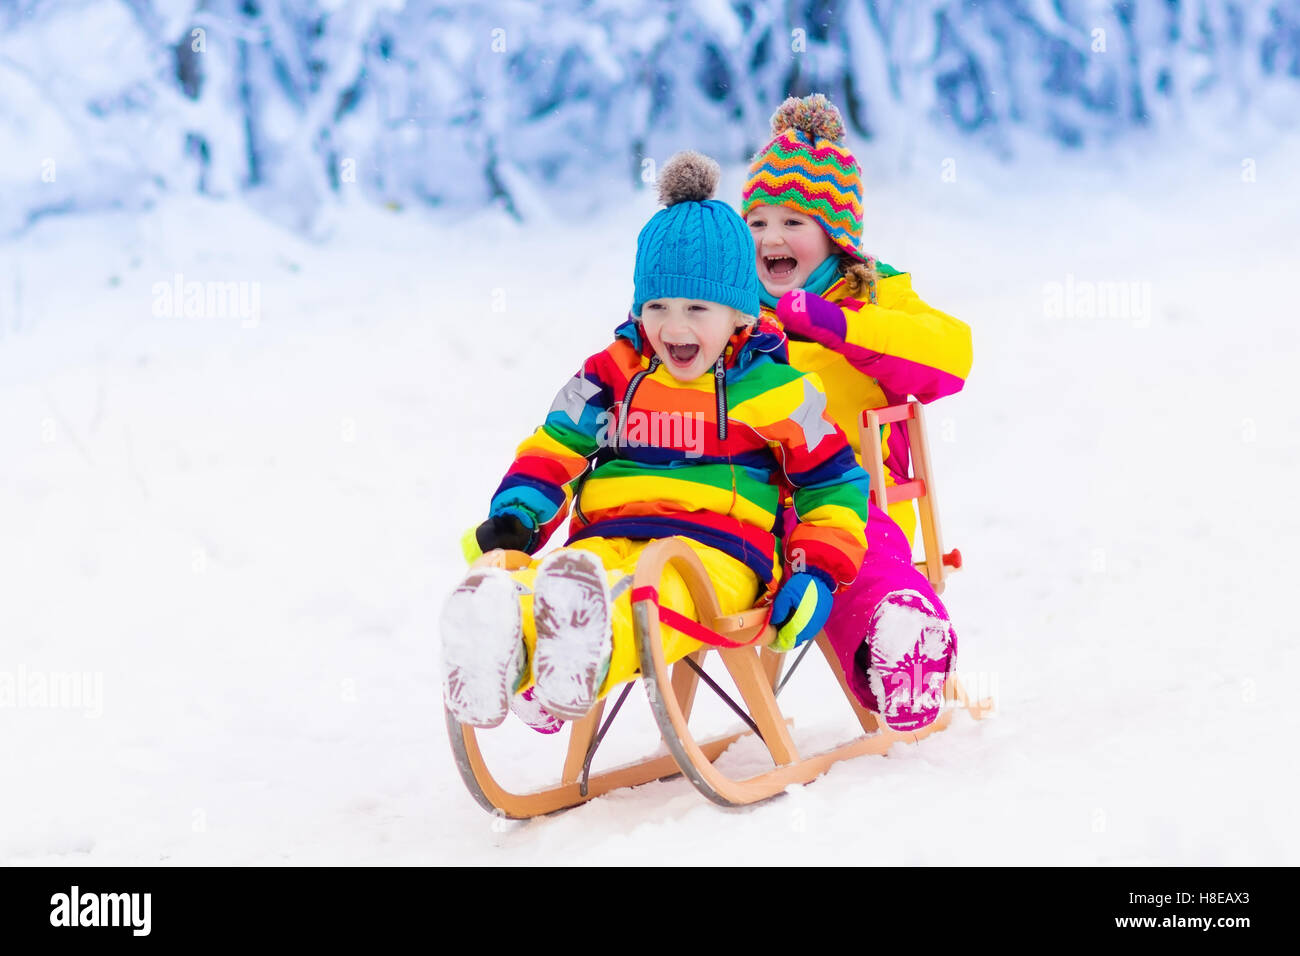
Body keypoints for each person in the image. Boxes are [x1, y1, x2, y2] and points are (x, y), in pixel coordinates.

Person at [440, 150, 873, 732]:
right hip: (609, 536)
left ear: (740, 314)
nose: (675, 327)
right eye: (657, 307)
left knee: (654, 598)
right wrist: (519, 514)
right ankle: (497, 636)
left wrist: (816, 571)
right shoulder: (613, 372)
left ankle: (579, 661)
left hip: (717, 555)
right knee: (569, 575)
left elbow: (833, 482)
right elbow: (557, 443)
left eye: (697, 308)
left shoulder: (778, 388)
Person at [741, 94, 974, 731]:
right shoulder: (726, 308)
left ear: (835, 234)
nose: (771, 238)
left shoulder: (874, 294)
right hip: (736, 501)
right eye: (757, 222)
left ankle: (898, 648)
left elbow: (950, 356)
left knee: (856, 556)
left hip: (844, 499)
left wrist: (839, 325)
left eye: (792, 221)